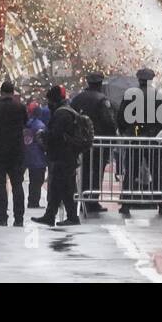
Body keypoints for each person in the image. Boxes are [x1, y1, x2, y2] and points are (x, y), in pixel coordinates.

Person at [118, 67, 162, 215]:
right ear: (151, 79)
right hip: (153, 140)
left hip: (135, 138)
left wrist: (125, 132)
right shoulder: (160, 97)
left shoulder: (130, 96)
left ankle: (126, 204)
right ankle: (161, 203)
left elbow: (121, 118)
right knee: (156, 171)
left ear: (138, 79)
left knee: (130, 171)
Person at [31, 86, 84, 227]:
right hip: (66, 155)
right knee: (58, 187)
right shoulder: (66, 110)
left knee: (64, 187)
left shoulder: (62, 114)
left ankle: (71, 217)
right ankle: (51, 215)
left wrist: (44, 136)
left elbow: (56, 135)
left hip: (63, 155)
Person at [70, 72, 117, 213]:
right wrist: (113, 137)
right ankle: (92, 200)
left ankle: (83, 197)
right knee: (97, 171)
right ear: (100, 84)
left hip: (80, 142)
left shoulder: (77, 99)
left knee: (84, 170)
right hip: (99, 142)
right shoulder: (102, 100)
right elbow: (108, 122)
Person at [0, 80, 27, 226]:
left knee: (0, 186)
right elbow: (25, 123)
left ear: (1, 93)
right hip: (16, 151)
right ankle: (19, 218)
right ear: (13, 92)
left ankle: (2, 216)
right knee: (17, 185)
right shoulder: (20, 107)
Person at [25, 103, 50, 208]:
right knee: (38, 180)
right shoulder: (40, 125)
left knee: (32, 180)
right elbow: (42, 142)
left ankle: (31, 200)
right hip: (38, 157)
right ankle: (34, 202)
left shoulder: (27, 124)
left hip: (29, 155)